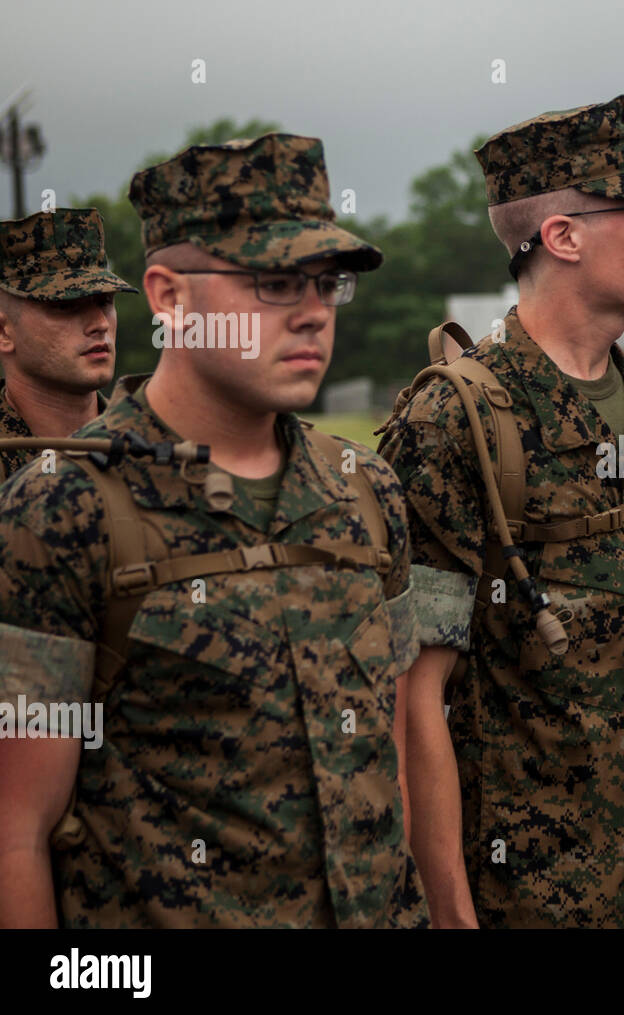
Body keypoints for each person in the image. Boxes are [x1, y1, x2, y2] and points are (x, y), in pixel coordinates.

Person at [0, 133, 428, 928]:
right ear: (167, 298)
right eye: (272, 281)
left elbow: (390, 755)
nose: (311, 312)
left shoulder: (364, 490)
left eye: (326, 282)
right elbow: (13, 834)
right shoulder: (61, 510)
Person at [380, 93, 624, 928]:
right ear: (563, 236)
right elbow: (413, 700)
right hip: (542, 899)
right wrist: (449, 914)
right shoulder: (455, 424)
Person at [0, 208, 135, 481]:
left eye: (105, 302)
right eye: (65, 306)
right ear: (3, 332)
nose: (100, 323)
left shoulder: (145, 452)